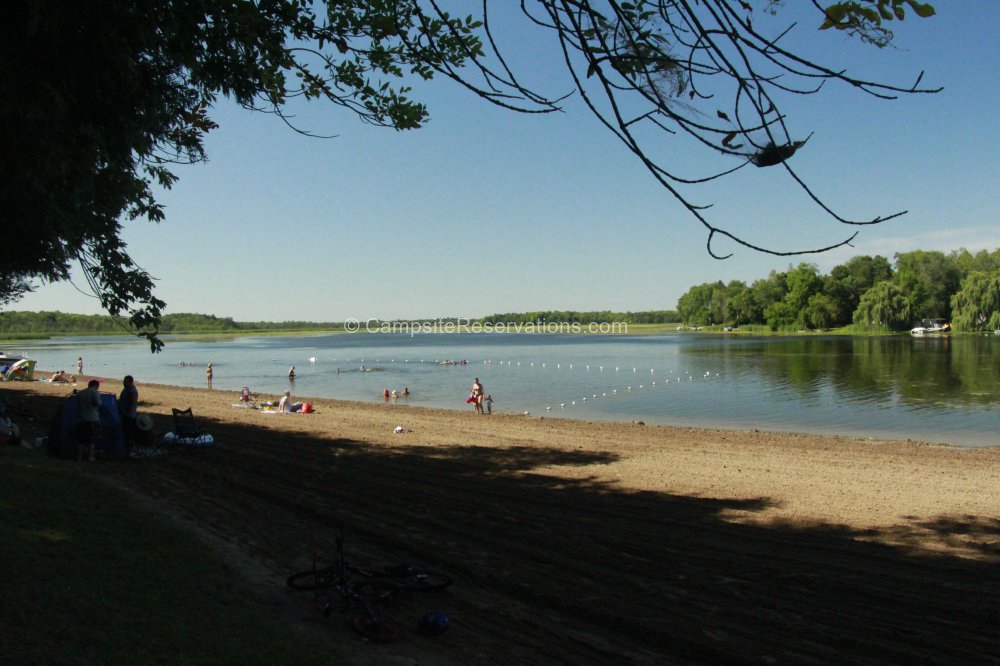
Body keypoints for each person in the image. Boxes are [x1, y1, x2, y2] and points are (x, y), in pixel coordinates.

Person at [77, 379, 101, 462]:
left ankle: (80, 456)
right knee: (92, 439)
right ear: (96, 386)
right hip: (92, 419)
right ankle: (90, 456)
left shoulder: (81, 393)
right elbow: (98, 403)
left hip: (82, 419)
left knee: (81, 439)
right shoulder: (94, 392)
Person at [118, 375, 138, 450]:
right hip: (124, 413)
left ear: (130, 382)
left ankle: (128, 449)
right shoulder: (126, 388)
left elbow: (132, 402)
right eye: (123, 381)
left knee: (128, 432)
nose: (124, 383)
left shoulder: (132, 390)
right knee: (124, 431)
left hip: (128, 415)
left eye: (126, 382)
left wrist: (127, 413)